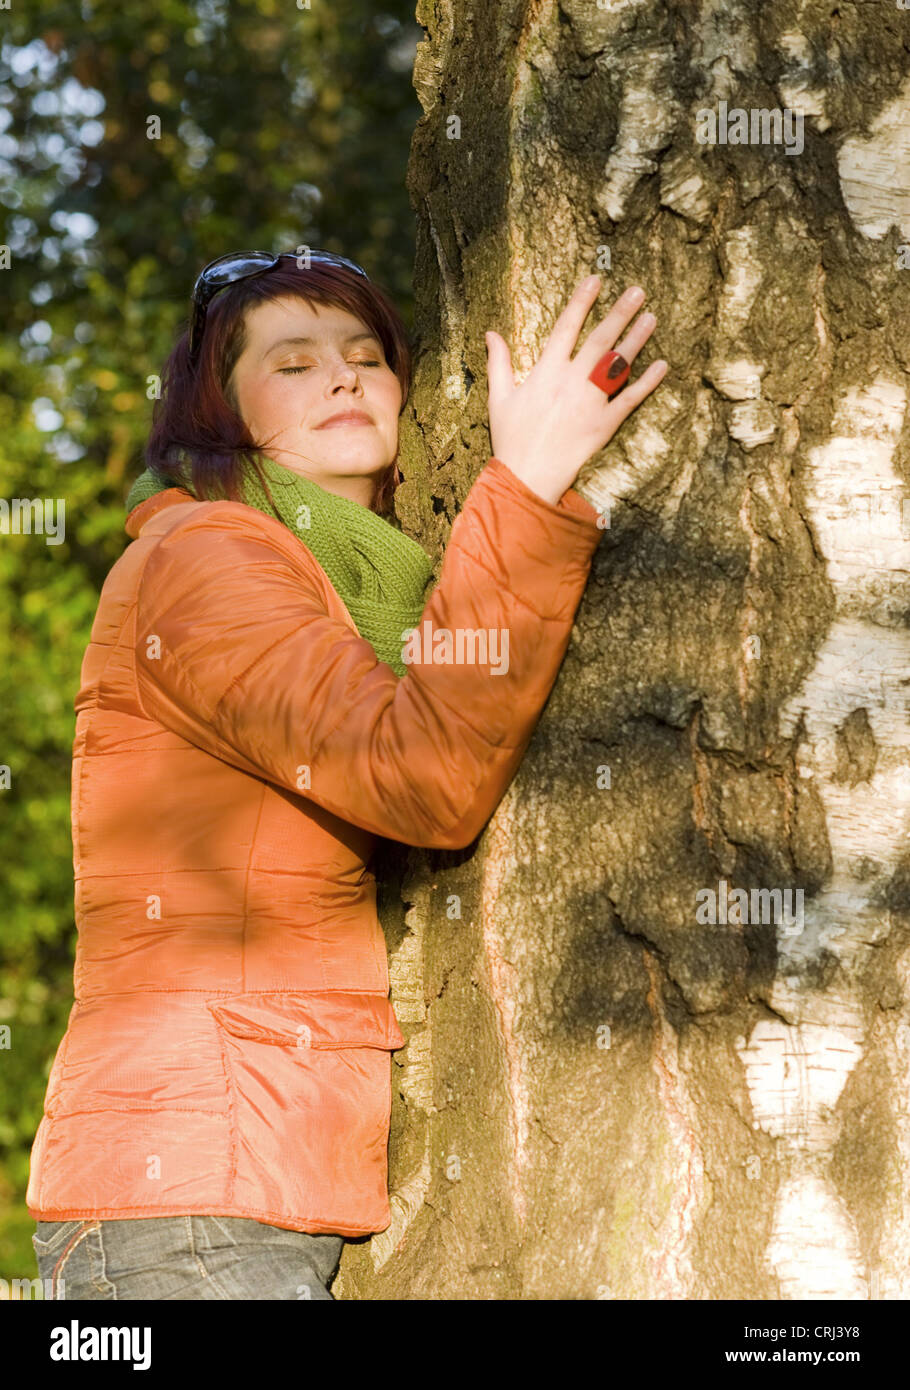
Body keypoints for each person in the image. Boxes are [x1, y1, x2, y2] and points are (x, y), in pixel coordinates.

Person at [26, 249, 667, 1299]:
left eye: (367, 355)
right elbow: (416, 768)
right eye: (292, 362)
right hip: (196, 1194)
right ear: (218, 413)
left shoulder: (334, 582)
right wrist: (530, 484)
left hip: (242, 1180)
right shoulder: (205, 560)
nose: (342, 377)